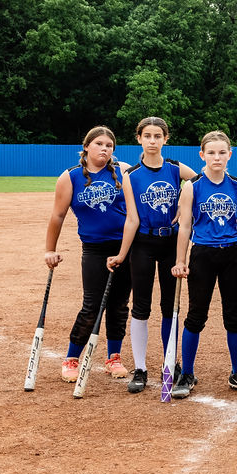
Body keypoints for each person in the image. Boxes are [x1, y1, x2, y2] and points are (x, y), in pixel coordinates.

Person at [106, 117, 199, 393]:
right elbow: (132, 219)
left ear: (165, 139)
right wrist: (122, 254)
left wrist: (184, 207)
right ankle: (141, 368)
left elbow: (199, 181)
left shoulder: (173, 168)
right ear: (139, 138)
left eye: (158, 136)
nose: (152, 140)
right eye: (147, 135)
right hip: (143, 244)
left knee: (170, 306)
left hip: (170, 243)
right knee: (141, 307)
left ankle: (169, 362)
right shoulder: (131, 175)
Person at [43, 126, 133, 384]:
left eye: (109, 145)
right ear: (86, 147)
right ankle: (72, 358)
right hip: (94, 249)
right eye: (99, 144)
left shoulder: (123, 170)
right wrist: (50, 249)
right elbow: (57, 216)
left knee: (118, 306)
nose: (104, 149)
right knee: (92, 306)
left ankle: (113, 357)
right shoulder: (70, 177)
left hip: (124, 247)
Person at [172, 131, 237, 398]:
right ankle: (187, 372)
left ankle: (236, 372)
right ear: (202, 155)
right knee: (196, 316)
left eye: (222, 152)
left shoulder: (235, 183)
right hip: (203, 255)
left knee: (233, 316)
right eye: (211, 153)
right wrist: (180, 260)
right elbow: (185, 226)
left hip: (230, 253)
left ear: (229, 155)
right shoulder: (193, 186)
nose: (217, 157)